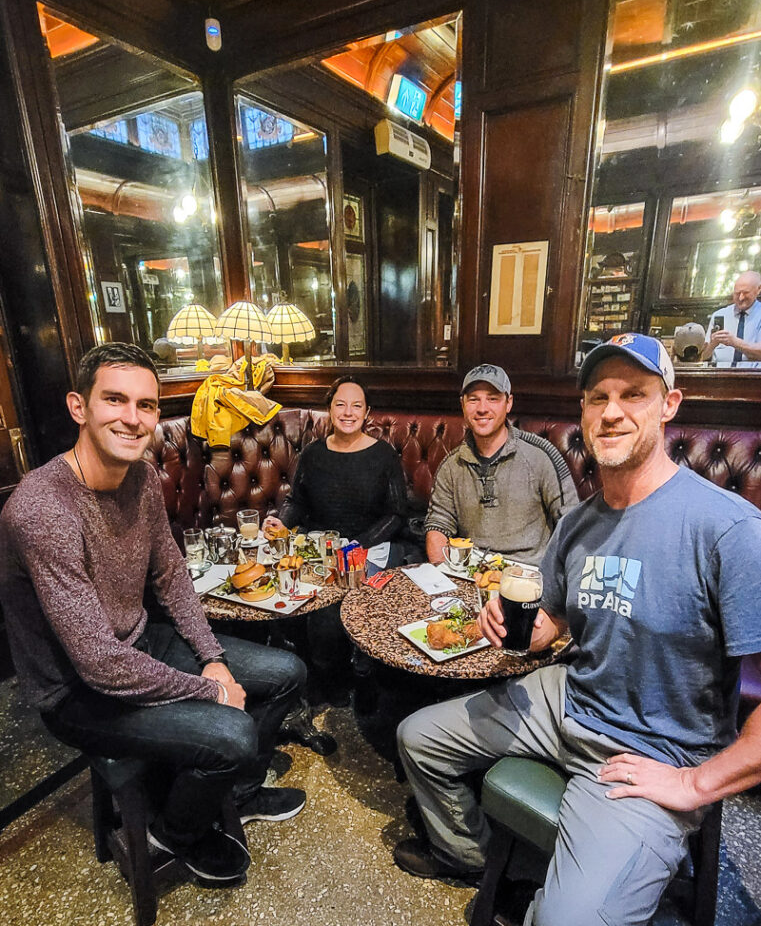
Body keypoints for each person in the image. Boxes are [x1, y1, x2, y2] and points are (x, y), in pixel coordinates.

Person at [394, 333, 761, 926]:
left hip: (650, 748)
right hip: (567, 698)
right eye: (597, 397)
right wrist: (512, 624)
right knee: (417, 738)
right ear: (583, 412)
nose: (611, 412)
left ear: (670, 404)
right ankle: (474, 857)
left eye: (633, 395)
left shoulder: (728, 530)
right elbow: (552, 623)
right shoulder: (579, 524)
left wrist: (697, 783)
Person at [0, 343, 307, 885]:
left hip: (138, 642)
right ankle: (173, 832)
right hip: (76, 690)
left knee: (287, 674)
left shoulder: (140, 479)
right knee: (234, 732)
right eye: (114, 400)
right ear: (79, 407)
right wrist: (211, 692)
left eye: (145, 405)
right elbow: (98, 664)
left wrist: (211, 659)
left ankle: (231, 790)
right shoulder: (42, 507)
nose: (132, 417)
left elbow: (171, 577)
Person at [263, 375, 411, 702]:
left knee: (341, 597)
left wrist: (355, 544)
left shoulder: (383, 455)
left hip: (369, 546)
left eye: (356, 406)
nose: (348, 412)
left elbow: (396, 514)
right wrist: (280, 521)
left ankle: (354, 675)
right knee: (296, 589)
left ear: (367, 412)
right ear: (329, 410)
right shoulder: (314, 453)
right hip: (319, 545)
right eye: (340, 404)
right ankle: (315, 675)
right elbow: (296, 501)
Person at [425, 364, 578, 566]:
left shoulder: (541, 455)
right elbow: (438, 526)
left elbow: (572, 524)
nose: (482, 408)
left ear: (508, 403)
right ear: (462, 404)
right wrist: (444, 578)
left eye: (493, 398)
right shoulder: (451, 466)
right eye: (473, 399)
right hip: (472, 576)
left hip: (528, 578)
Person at [703, 270, 761, 367]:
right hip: (719, 378)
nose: (741, 298)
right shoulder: (719, 315)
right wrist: (712, 345)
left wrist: (735, 342)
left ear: (758, 290)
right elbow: (703, 357)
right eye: (737, 293)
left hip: (753, 379)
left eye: (745, 293)